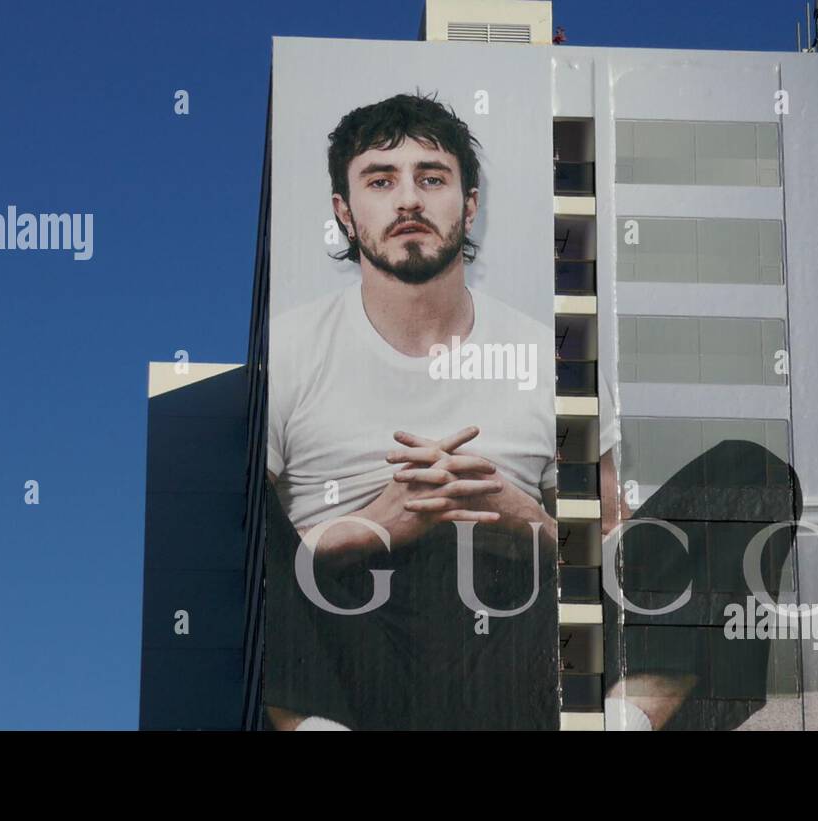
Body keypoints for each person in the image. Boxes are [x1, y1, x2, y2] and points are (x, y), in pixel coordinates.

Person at [263, 92, 614, 730]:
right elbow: (227, 556)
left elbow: (613, 548)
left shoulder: (553, 356)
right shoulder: (283, 350)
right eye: (380, 179)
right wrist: (373, 526)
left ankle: (624, 725)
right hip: (346, 644)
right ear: (344, 213)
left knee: (741, 473)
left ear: (470, 205)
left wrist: (521, 517)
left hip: (508, 638)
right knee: (215, 504)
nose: (408, 200)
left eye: (432, 178)